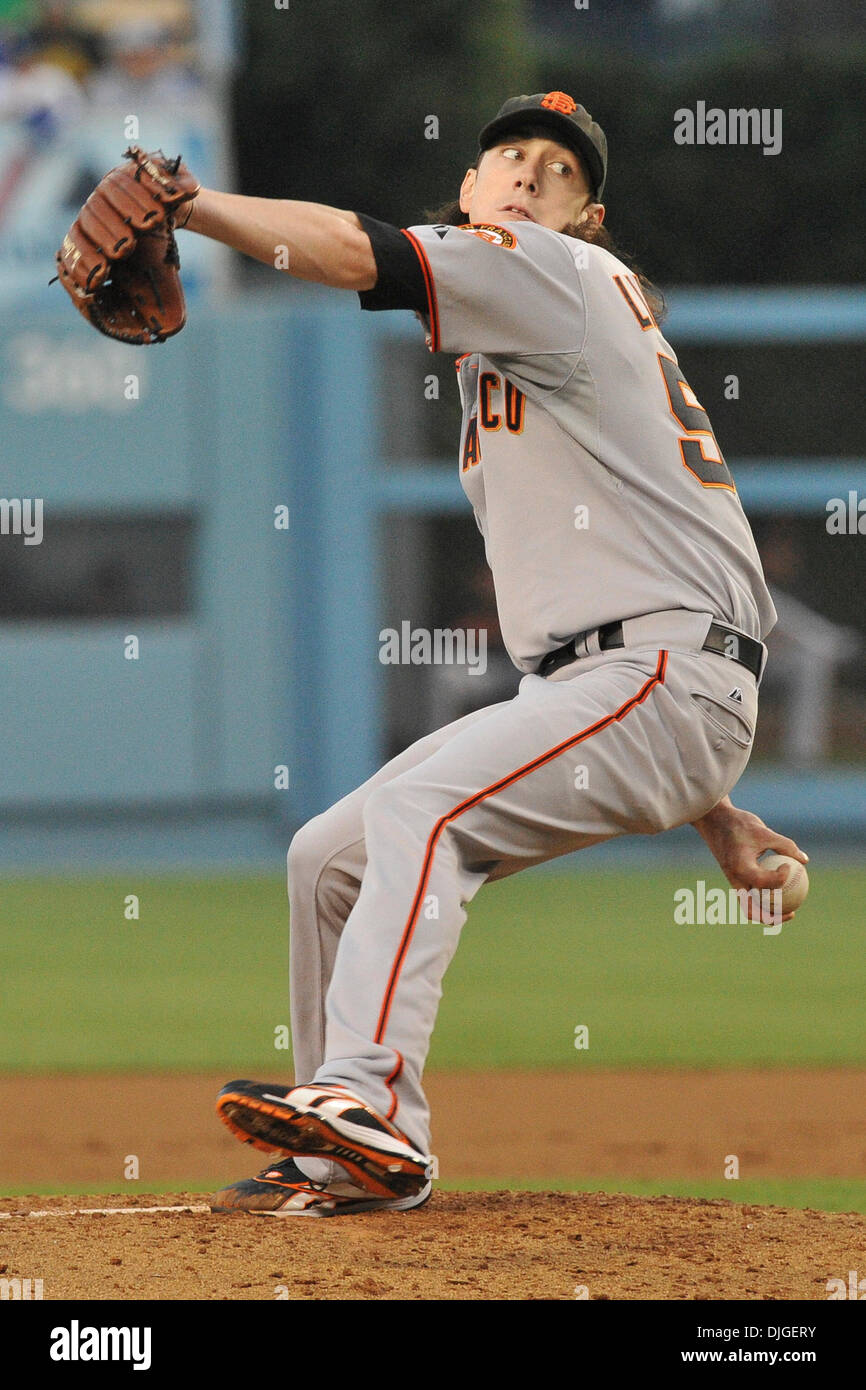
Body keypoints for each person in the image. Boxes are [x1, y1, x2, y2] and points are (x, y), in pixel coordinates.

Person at [176, 91, 808, 1217]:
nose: (527, 174)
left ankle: (364, 1102)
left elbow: (343, 248)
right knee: (328, 856)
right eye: (507, 156)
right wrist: (710, 798)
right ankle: (340, 1155)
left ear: (585, 217)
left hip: (655, 678)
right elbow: (643, 559)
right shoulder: (522, 340)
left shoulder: (544, 271)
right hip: (637, 682)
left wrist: (192, 204)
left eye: (557, 170)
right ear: (466, 189)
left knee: (421, 809)